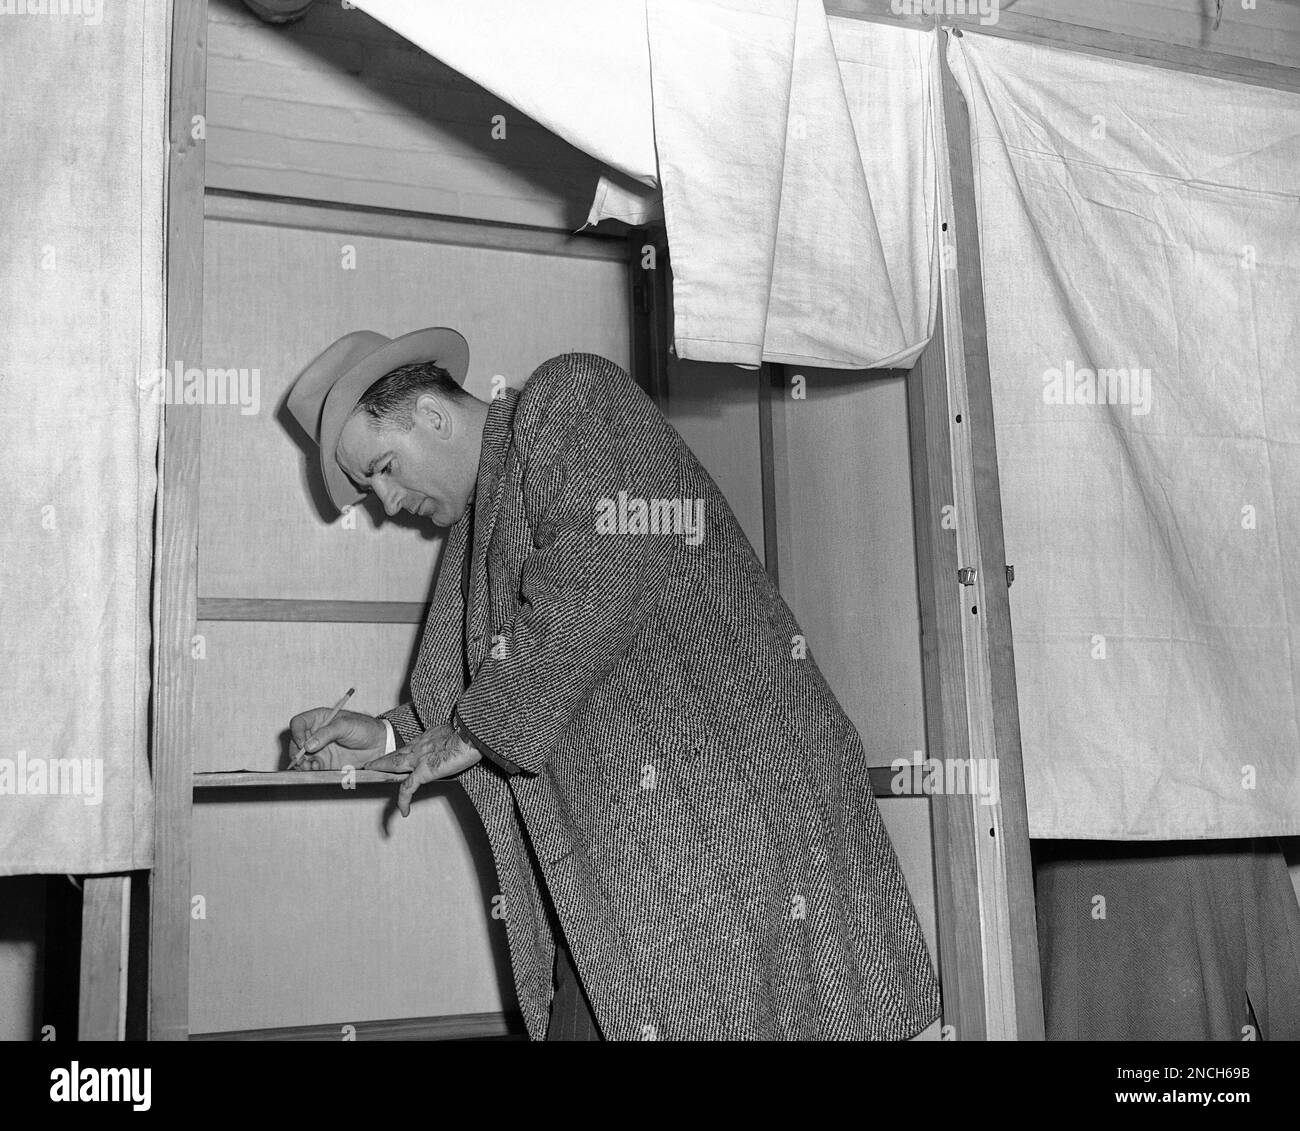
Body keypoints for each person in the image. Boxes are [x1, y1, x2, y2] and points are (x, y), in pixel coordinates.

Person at [284, 327, 941, 1041]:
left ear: (432, 415)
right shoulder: (471, 539)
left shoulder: (569, 397)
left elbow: (607, 560)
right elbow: (467, 701)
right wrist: (379, 736)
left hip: (729, 839)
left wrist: (474, 728)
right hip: (623, 889)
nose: (381, 499)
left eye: (380, 467)